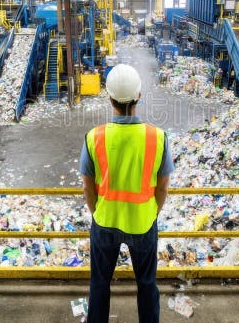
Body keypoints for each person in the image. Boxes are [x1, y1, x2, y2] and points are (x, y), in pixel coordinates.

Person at [79, 64, 174, 323]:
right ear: (139, 97)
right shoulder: (158, 137)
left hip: (105, 222)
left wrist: (97, 212)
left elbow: (88, 187)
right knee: (146, 285)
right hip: (142, 224)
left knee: (99, 284)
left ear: (109, 98)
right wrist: (151, 212)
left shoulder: (94, 137)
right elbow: (163, 187)